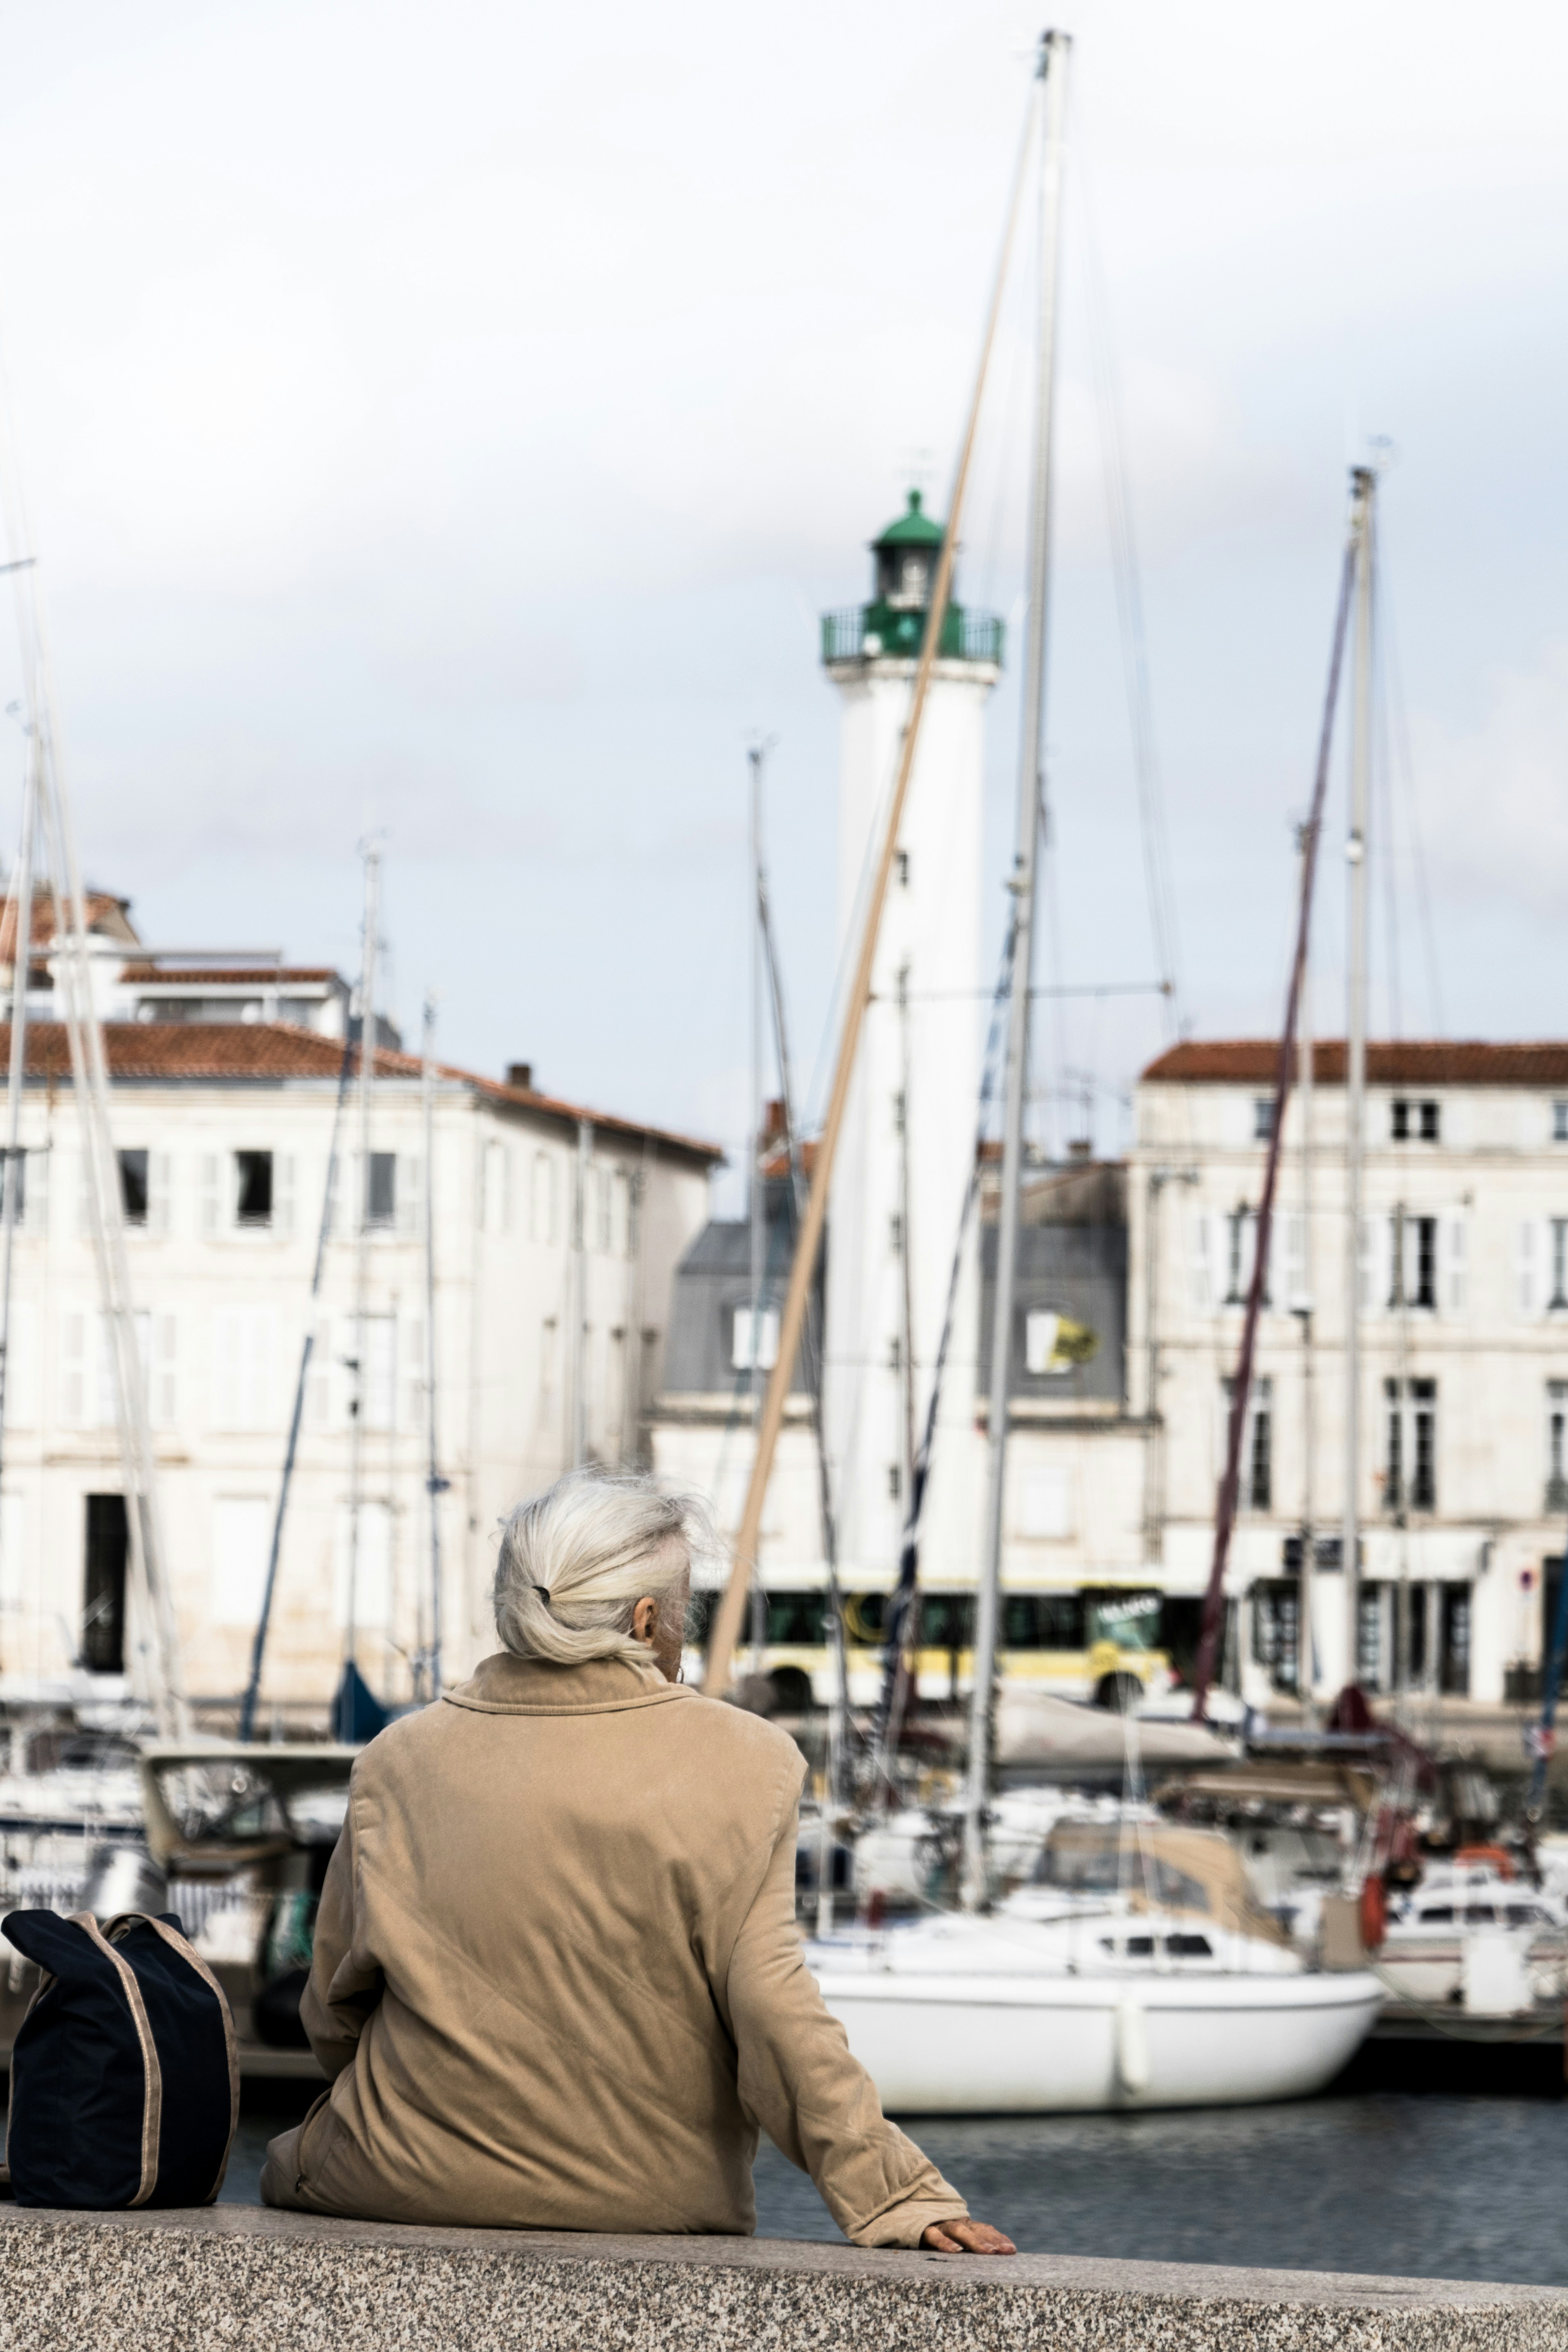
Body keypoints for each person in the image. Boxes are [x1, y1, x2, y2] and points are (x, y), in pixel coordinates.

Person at [262, 1469, 1013, 2254]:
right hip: (650, 2200)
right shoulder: (746, 1760)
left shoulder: (398, 1758)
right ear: (648, 1619)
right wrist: (896, 2196)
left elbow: (333, 2008)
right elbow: (773, 2012)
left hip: (392, 2182)